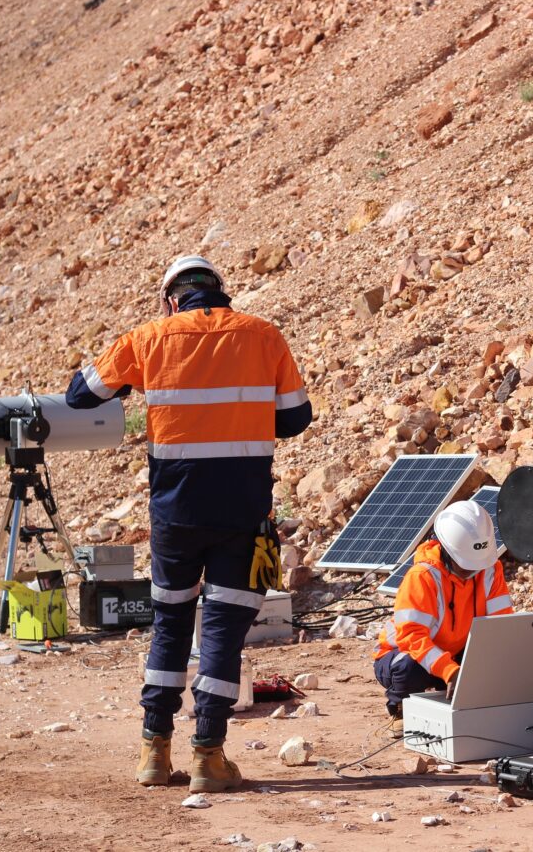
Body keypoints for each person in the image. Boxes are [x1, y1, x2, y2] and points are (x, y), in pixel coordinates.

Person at [65, 255, 311, 792]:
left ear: (171, 299)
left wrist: (138, 384)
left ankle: (154, 752)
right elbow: (296, 418)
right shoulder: (263, 335)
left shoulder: (149, 337)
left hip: (175, 514)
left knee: (172, 623)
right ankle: (208, 758)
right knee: (222, 630)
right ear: (219, 292)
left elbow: (80, 394)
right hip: (241, 511)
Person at [373, 500, 513, 737]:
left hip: (453, 654)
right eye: (465, 565)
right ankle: (399, 708)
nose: (472, 571)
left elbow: (500, 627)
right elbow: (411, 637)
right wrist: (450, 671)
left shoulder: (489, 569)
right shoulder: (423, 576)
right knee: (408, 668)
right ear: (447, 550)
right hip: (402, 655)